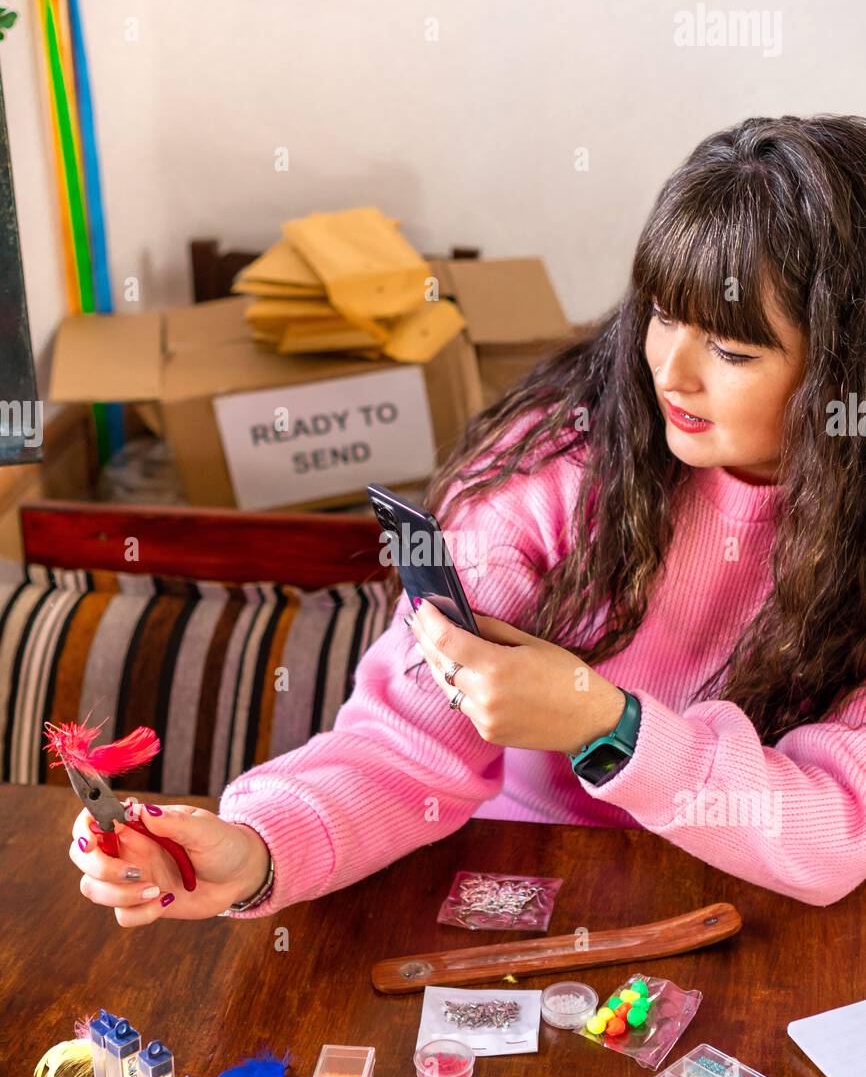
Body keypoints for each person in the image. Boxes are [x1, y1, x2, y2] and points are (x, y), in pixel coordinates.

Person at [70, 114, 866, 924]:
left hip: (763, 915)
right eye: (662, 315)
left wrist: (611, 728)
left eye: (731, 352)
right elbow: (406, 748)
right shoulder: (559, 467)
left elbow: (839, 830)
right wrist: (256, 850)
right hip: (526, 888)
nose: (671, 372)